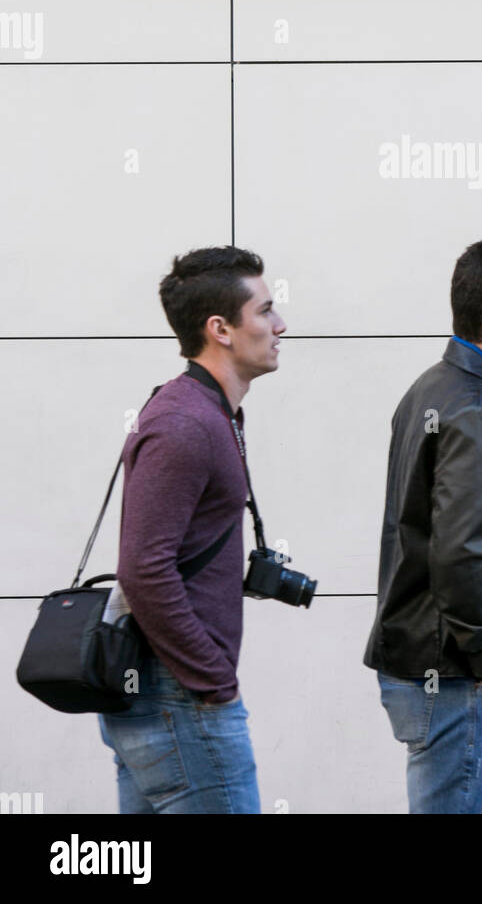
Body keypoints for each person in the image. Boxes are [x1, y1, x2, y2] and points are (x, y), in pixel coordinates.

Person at [365, 239, 482, 814]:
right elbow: (457, 554)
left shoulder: (433, 387)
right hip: (457, 677)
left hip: (459, 669)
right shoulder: (476, 408)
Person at [99, 246, 285, 814]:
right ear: (220, 329)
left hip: (168, 694)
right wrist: (212, 681)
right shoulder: (186, 422)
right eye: (266, 311)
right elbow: (143, 567)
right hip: (178, 697)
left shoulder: (210, 412)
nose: (281, 325)